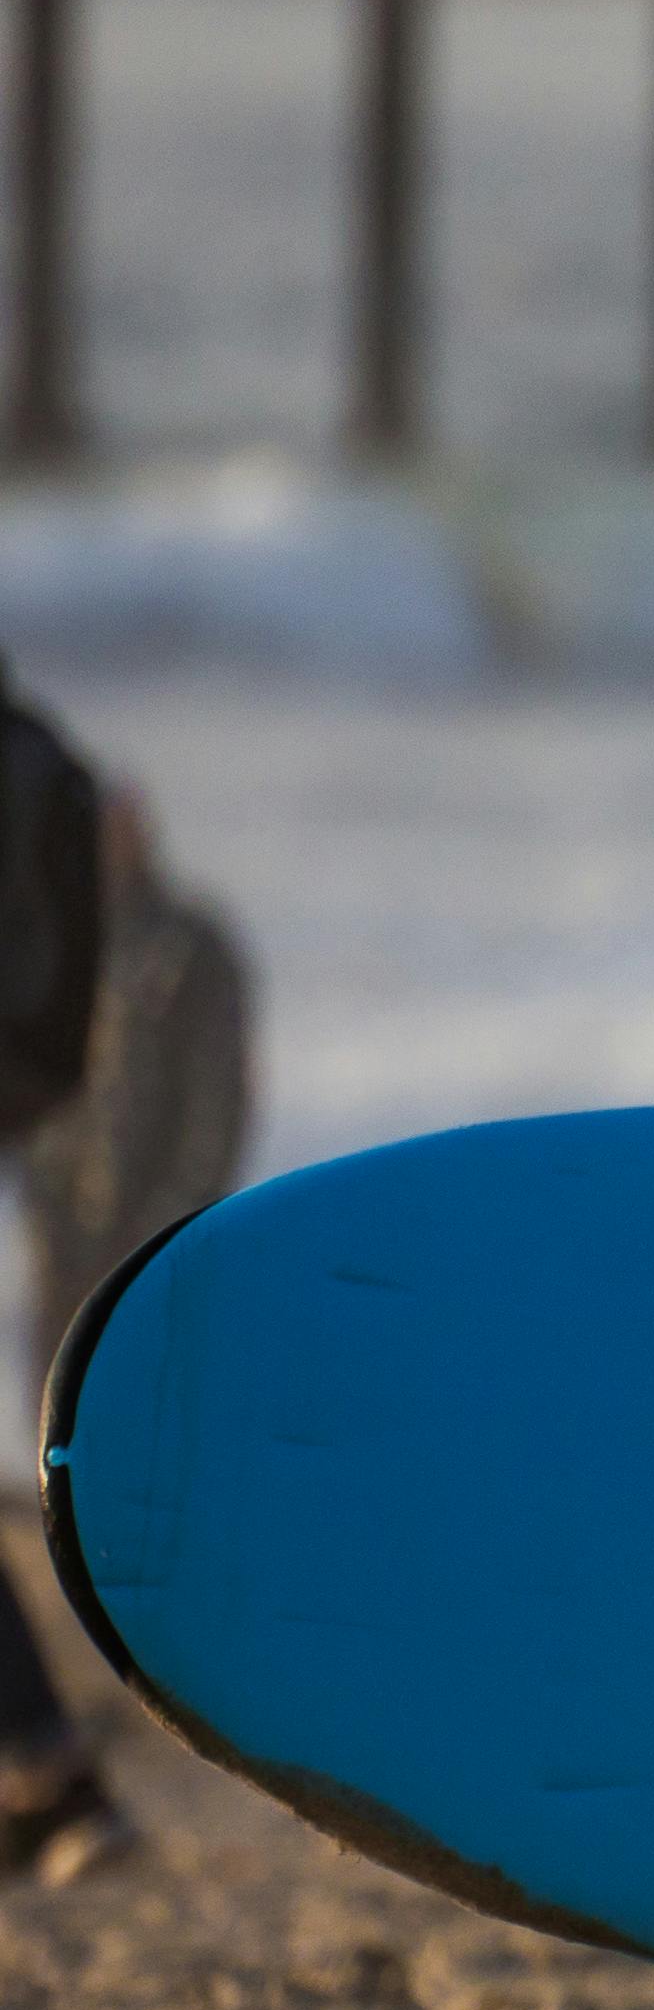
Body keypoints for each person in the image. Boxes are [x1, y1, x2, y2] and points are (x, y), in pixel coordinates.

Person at [3, 783, 254, 1882]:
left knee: (163, 1453)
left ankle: (168, 1649)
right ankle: (95, 1635)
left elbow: (218, 1098)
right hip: (67, 1240)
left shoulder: (195, 947)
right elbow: (47, 1096)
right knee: (60, 1447)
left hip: (156, 1244)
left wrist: (175, 1226)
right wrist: (50, 1215)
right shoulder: (66, 948)